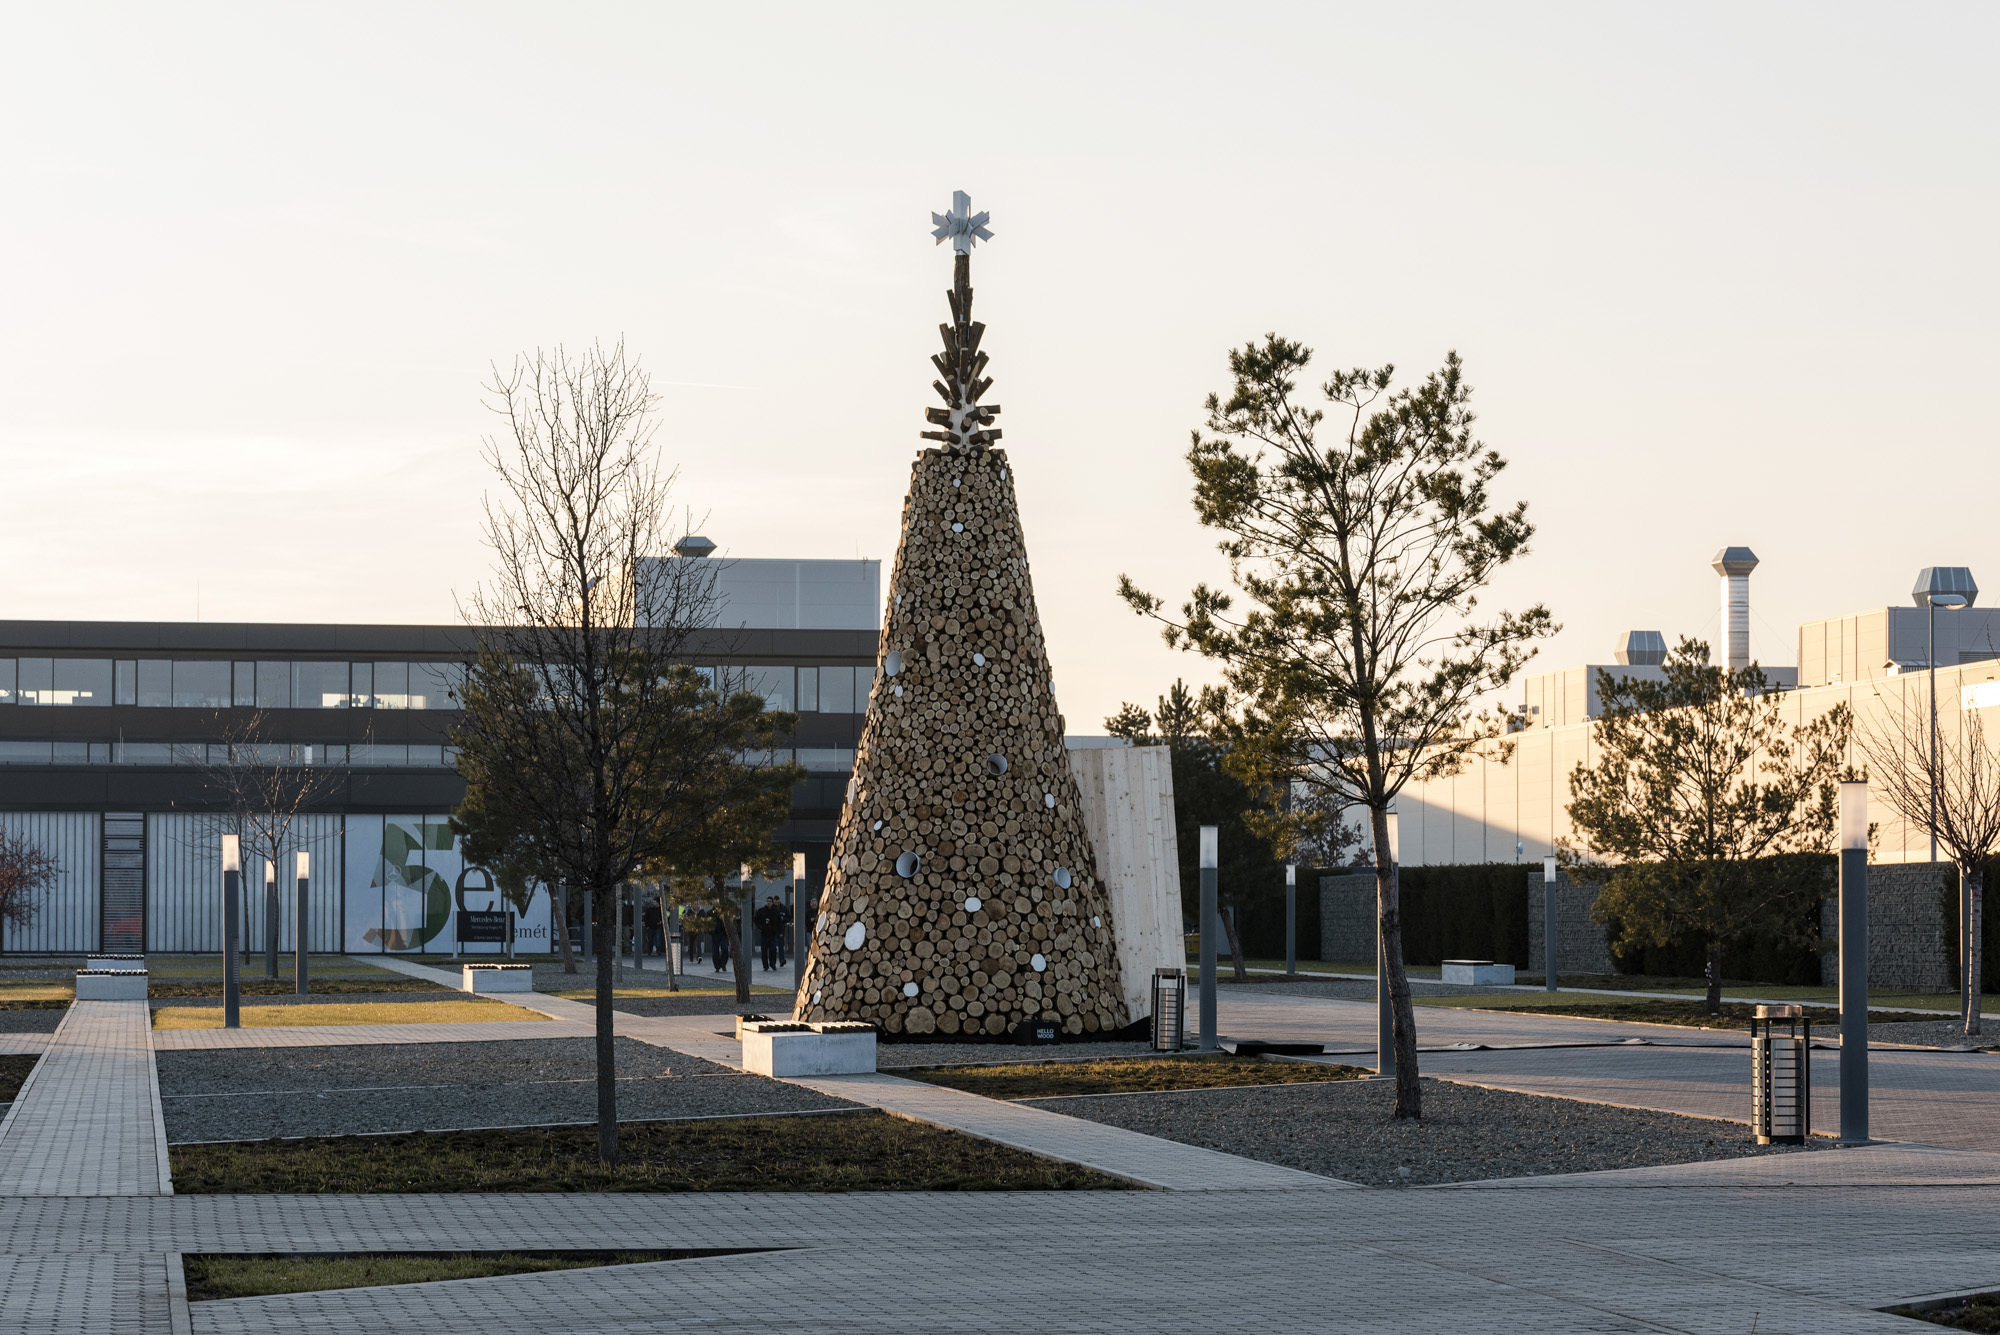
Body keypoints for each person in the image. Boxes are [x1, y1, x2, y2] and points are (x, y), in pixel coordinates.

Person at [754, 895, 783, 972]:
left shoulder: (776, 912)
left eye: (770, 901)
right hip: (764, 933)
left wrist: (780, 932)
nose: (768, 903)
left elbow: (779, 922)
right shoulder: (761, 911)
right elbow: (756, 919)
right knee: (764, 951)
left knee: (773, 949)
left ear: (772, 902)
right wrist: (761, 926)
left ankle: (772, 964)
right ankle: (765, 965)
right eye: (767, 901)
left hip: (773, 933)